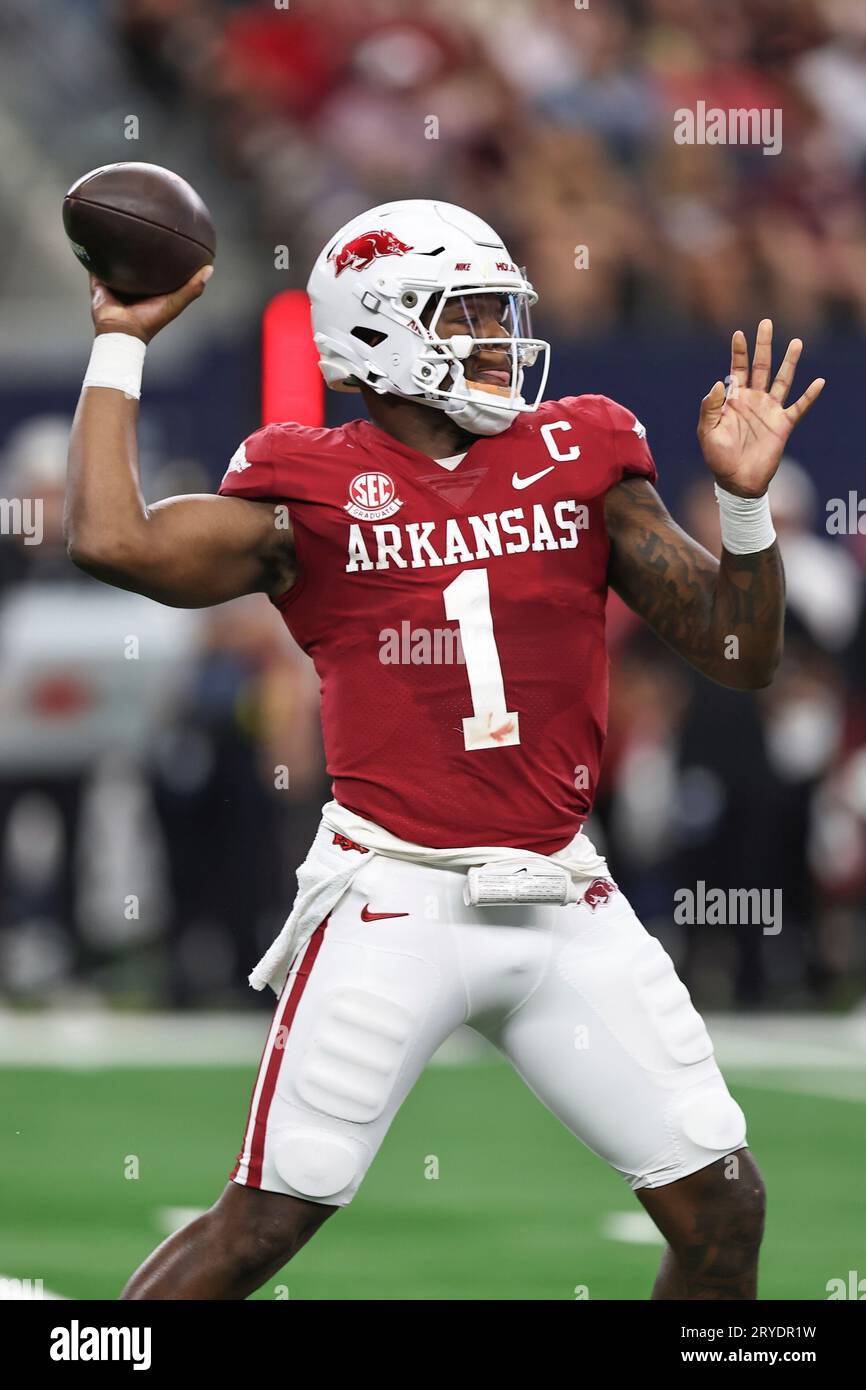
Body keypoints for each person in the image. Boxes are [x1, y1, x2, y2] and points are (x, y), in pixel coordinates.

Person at [65, 199, 824, 1300]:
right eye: (465, 315)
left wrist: (744, 510)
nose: (498, 339)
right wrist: (121, 344)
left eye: (499, 312)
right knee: (264, 1222)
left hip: (561, 892)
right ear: (377, 330)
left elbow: (739, 654)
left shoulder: (580, 451)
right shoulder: (306, 487)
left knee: (724, 1209)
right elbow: (111, 538)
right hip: (393, 892)